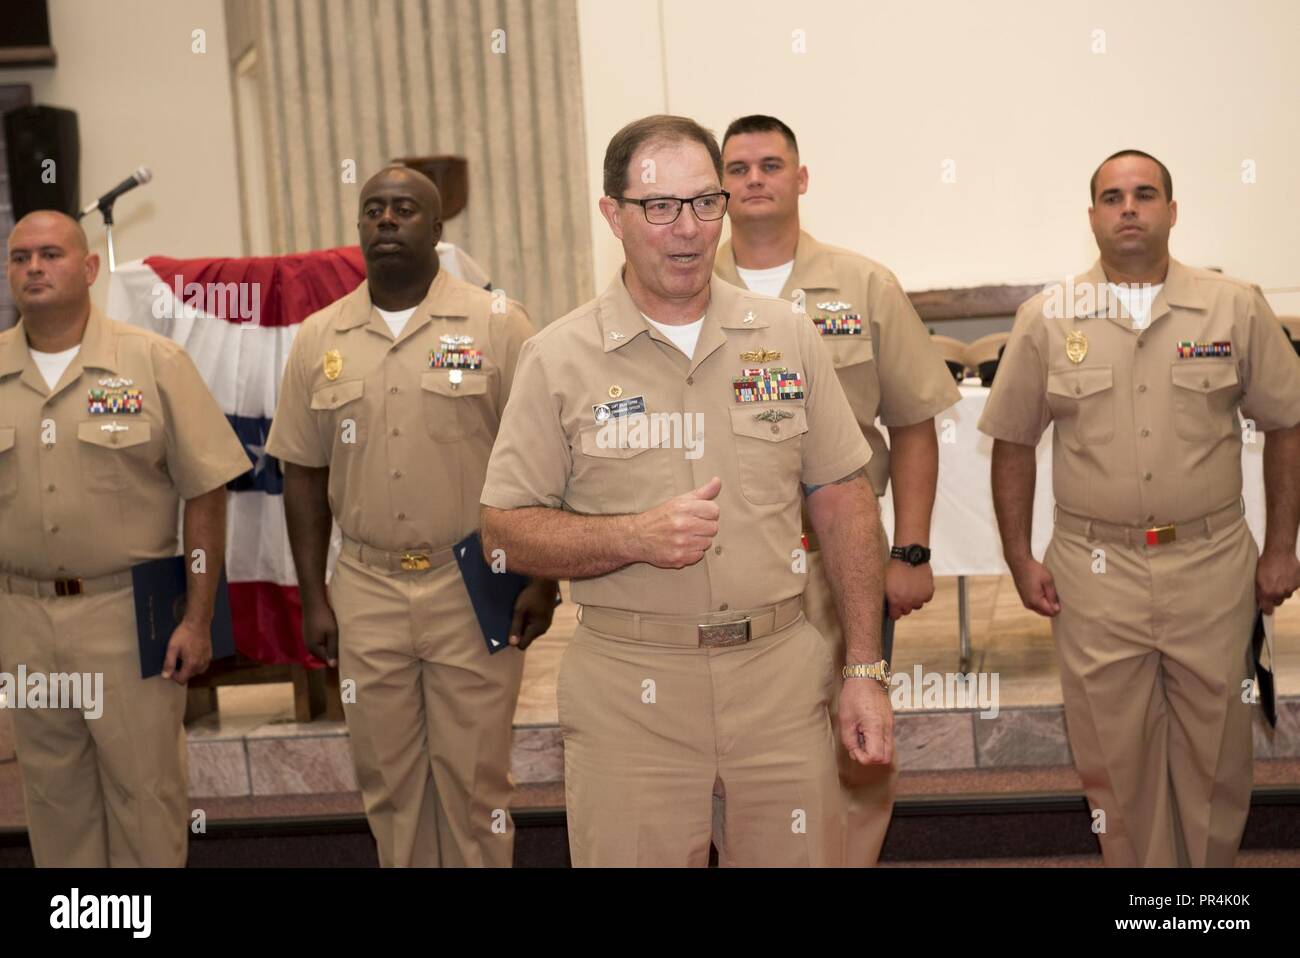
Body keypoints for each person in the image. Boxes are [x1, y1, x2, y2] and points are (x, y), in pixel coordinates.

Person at [480, 115, 892, 867]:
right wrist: (627, 538)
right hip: (630, 691)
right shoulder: (557, 357)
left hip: (778, 679)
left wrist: (864, 669)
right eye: (659, 206)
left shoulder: (785, 335)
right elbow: (504, 530)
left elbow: (843, 494)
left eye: (706, 203)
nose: (688, 229)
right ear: (613, 215)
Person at [980, 149, 1300, 866]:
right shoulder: (1045, 318)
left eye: (1145, 194)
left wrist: (1282, 547)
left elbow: (1288, 421)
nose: (1130, 208)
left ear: (1172, 211)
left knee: (1217, 752)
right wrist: (1018, 557)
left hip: (1212, 562)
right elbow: (1011, 440)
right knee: (1114, 757)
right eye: (1113, 196)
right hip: (1096, 571)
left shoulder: (1234, 305)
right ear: (1092, 215)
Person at [266, 166, 558, 867]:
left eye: (403, 210)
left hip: (472, 581)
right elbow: (301, 476)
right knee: (389, 785)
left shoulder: (497, 323)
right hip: (365, 588)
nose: (386, 221)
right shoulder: (318, 339)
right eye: (373, 210)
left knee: (475, 780)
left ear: (436, 228)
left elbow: (548, 456)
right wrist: (313, 597)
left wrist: (544, 578)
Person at [715, 114, 960, 866]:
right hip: (727, 564)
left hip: (841, 558)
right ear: (718, 186)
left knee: (856, 737)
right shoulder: (686, 285)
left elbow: (914, 424)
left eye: (770, 165)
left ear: (801, 178)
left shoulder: (862, 285)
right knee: (739, 742)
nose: (754, 180)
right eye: (738, 168)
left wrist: (911, 550)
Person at [0, 210, 249, 866]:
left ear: (88, 269)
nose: (33, 268)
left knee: (146, 796)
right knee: (54, 802)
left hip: (126, 615)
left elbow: (206, 489)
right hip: (22, 618)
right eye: (20, 257)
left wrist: (198, 618)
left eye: (50, 254)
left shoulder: (152, 362)